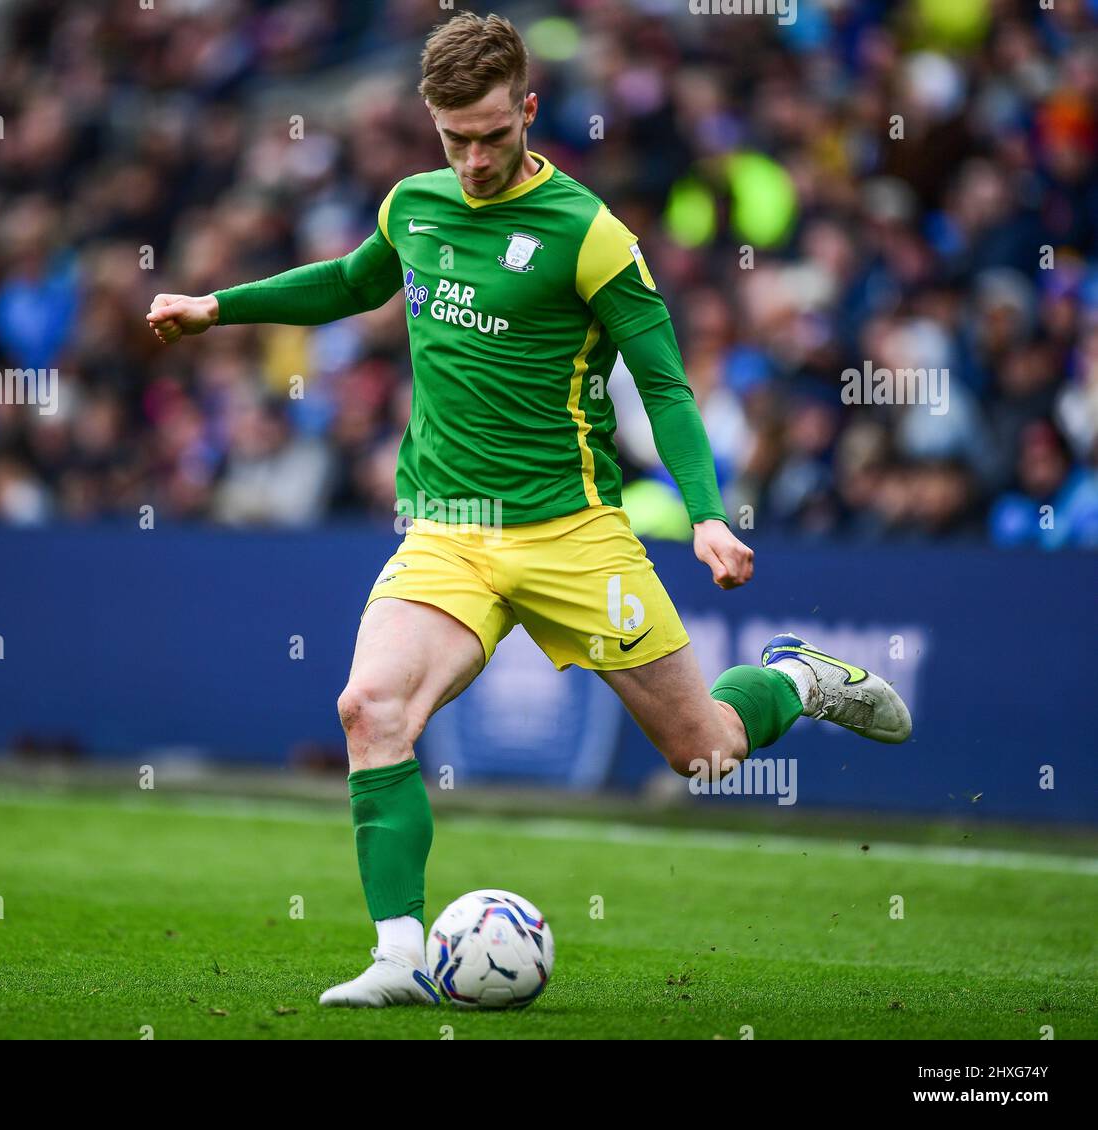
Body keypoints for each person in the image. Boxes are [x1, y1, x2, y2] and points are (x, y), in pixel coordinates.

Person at [146, 12, 911, 1008]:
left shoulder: (589, 235)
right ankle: (398, 954)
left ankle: (794, 680)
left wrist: (709, 512)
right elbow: (345, 284)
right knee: (368, 708)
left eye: (491, 135)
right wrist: (218, 307)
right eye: (452, 136)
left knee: (706, 754)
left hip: (572, 532)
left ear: (529, 112)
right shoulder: (411, 206)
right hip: (447, 530)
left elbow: (666, 386)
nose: (470, 158)